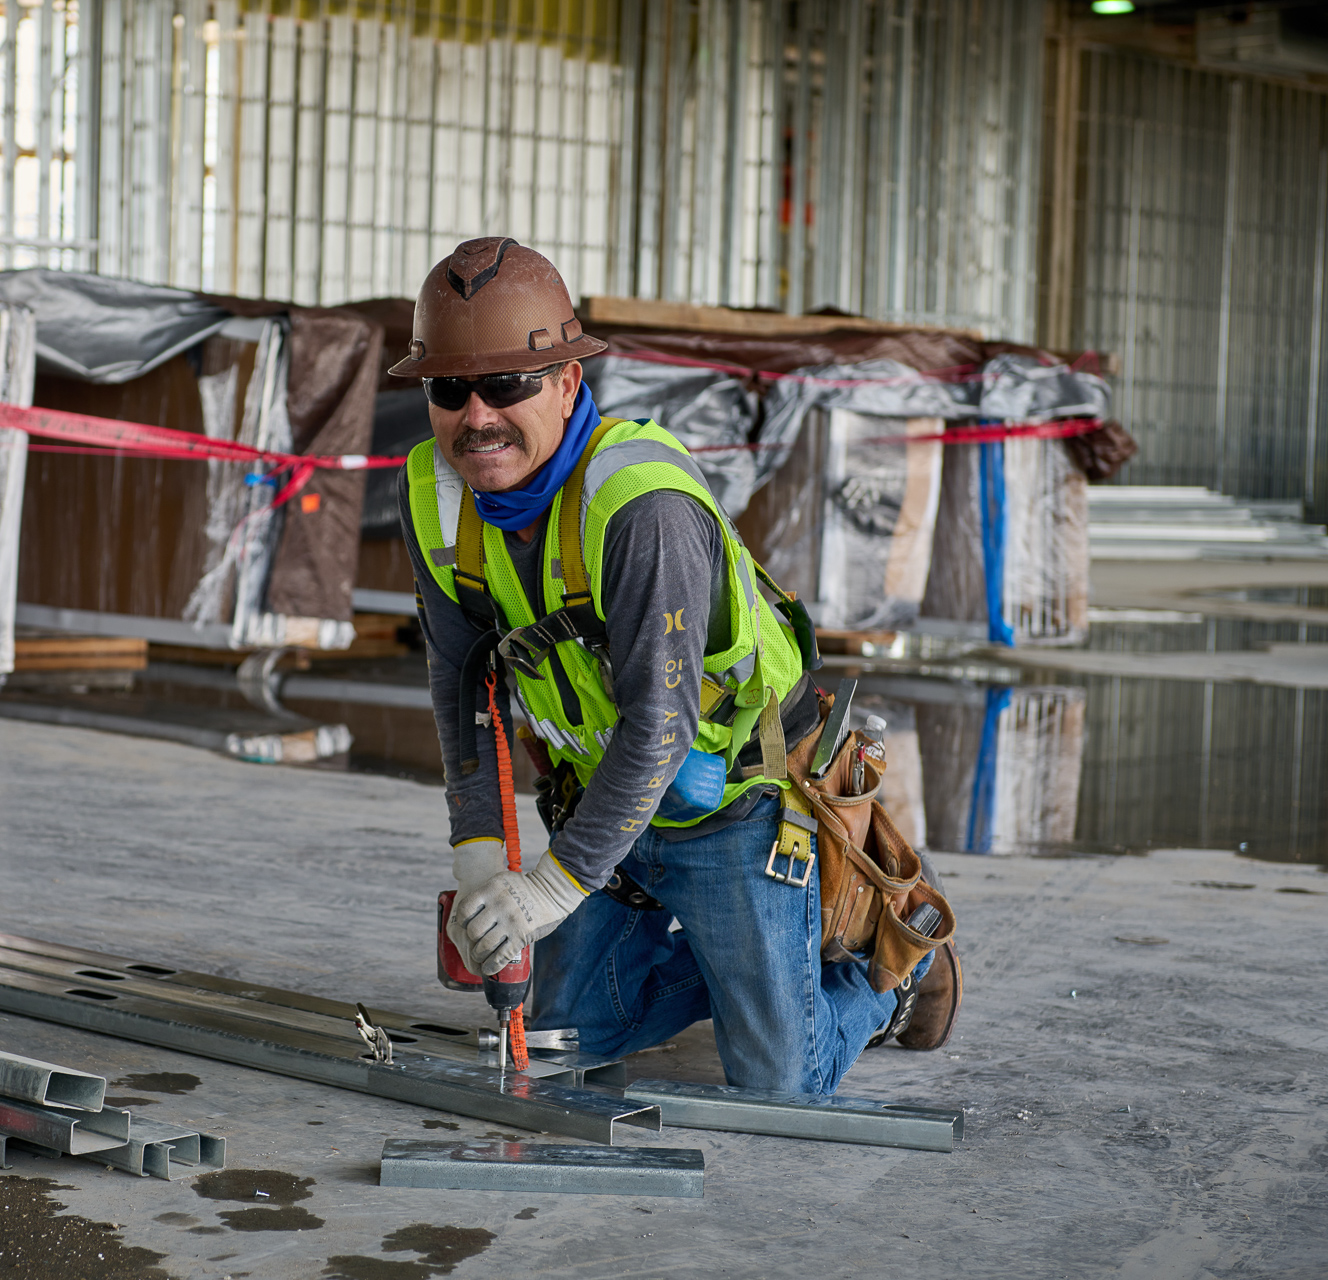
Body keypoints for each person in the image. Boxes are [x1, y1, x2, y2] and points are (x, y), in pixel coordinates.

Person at [392, 236, 960, 1094]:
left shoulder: (640, 506)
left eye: (508, 384)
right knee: (557, 1046)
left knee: (779, 1080)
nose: (477, 416)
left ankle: (894, 965)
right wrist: (480, 853)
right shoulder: (434, 496)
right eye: (450, 388)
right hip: (603, 795)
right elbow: (459, 680)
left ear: (567, 382)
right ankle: (736, 963)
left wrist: (552, 887)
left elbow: (660, 728)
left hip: (734, 797)